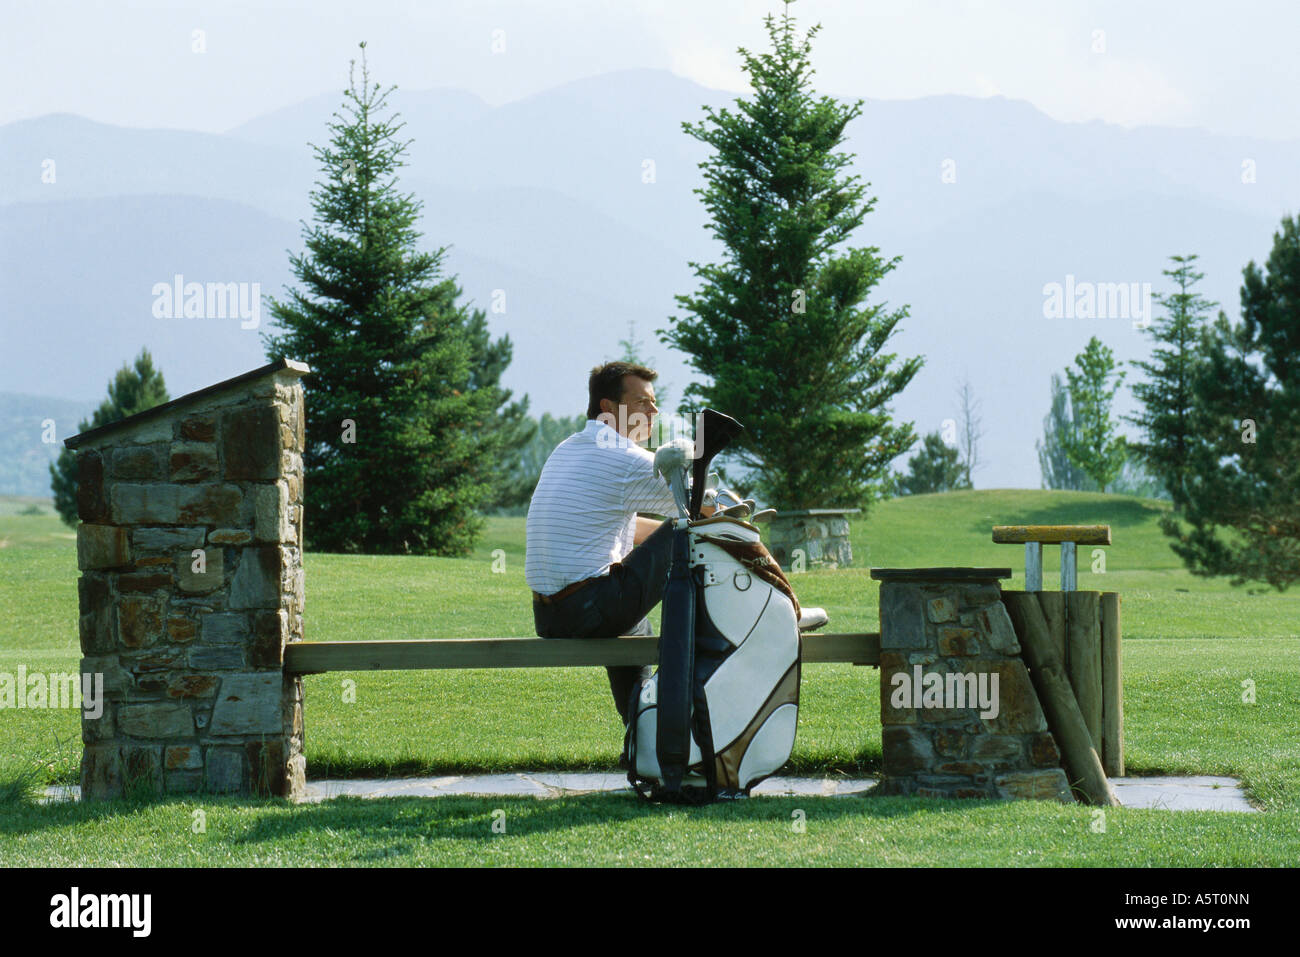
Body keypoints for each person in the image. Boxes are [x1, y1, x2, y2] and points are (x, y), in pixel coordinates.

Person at [525, 361, 713, 726]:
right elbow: (706, 505)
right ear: (609, 409)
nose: (654, 411)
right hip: (590, 607)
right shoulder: (623, 458)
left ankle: (642, 736)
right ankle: (776, 607)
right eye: (642, 402)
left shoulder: (569, 447)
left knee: (635, 624)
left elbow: (625, 529)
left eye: (654, 402)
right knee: (698, 524)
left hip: (549, 617)